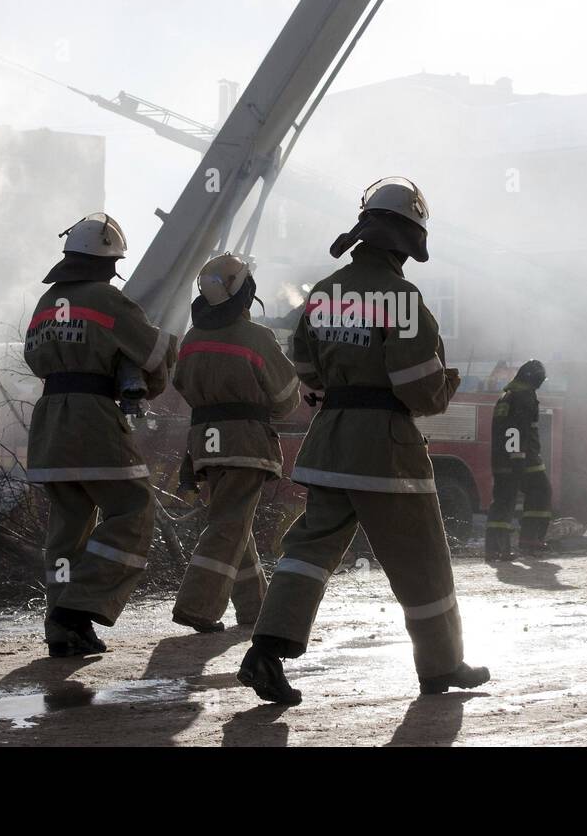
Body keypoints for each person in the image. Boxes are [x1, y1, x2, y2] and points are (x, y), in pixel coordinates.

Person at [237, 176, 490, 705]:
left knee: (308, 550)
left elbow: (302, 361)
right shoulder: (401, 297)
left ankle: (265, 649)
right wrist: (446, 385)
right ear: (409, 242)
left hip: (329, 443)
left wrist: (334, 386)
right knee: (422, 558)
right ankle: (441, 665)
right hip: (386, 452)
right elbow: (418, 387)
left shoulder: (326, 290)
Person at [23, 213, 176, 657]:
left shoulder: (46, 303)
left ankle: (62, 629)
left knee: (67, 529)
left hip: (50, 421)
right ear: (108, 262)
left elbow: (35, 359)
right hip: (91, 417)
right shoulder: (109, 301)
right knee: (133, 508)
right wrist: (163, 356)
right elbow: (152, 354)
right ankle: (80, 607)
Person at [170, 253, 300, 633]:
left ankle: (253, 607)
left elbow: (181, 384)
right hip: (245, 443)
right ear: (246, 293)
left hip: (205, 445)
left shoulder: (192, 339)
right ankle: (197, 605)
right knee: (229, 523)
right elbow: (286, 397)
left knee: (232, 520)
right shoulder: (256, 337)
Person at [486, 359, 553, 561]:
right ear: (534, 378)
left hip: (501, 458)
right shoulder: (523, 396)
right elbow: (515, 429)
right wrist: (517, 459)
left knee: (504, 500)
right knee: (542, 491)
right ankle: (531, 539)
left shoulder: (506, 396)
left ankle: (496, 547)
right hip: (524, 459)